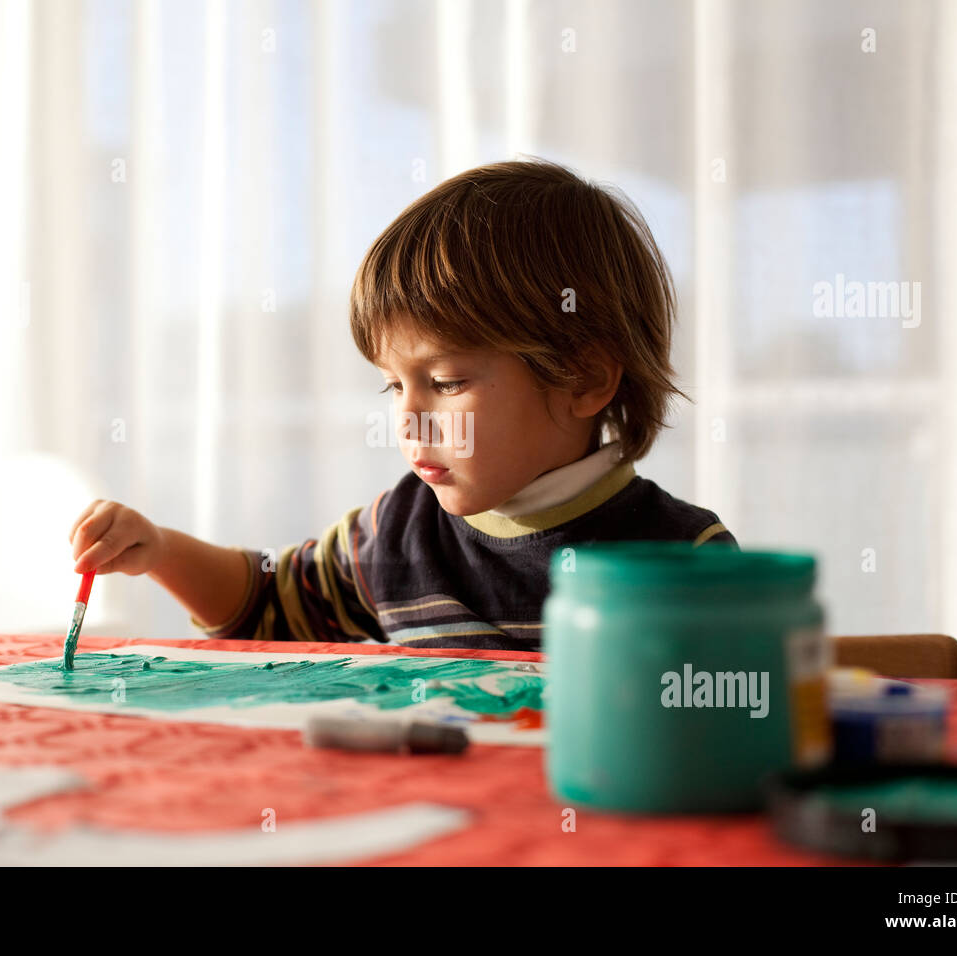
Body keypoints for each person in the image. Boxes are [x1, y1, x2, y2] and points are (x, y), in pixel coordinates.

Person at [69, 158, 736, 651]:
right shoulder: (398, 533)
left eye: (446, 383)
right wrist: (157, 550)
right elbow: (267, 604)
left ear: (583, 377)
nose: (408, 419)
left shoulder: (687, 560)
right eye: (393, 385)